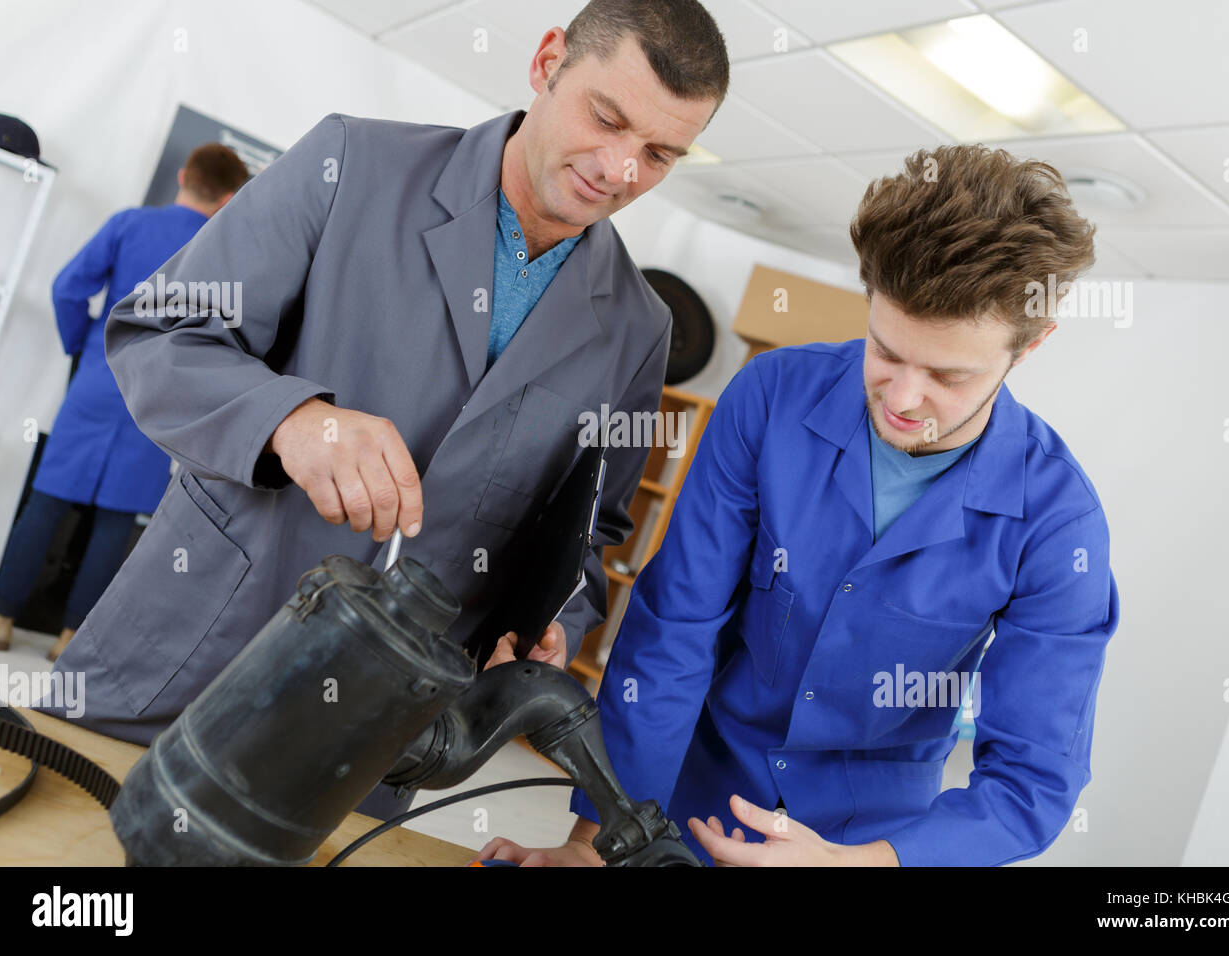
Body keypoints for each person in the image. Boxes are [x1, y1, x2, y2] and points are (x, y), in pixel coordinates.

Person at [36, 0, 729, 819]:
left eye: (658, 155)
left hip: (373, 734)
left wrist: (551, 626)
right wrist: (292, 420)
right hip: (191, 648)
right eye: (606, 119)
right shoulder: (352, 163)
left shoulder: (638, 329)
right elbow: (161, 333)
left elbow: (592, 534)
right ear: (547, 63)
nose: (620, 171)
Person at [477, 145, 1121, 867]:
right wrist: (596, 842)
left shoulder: (1060, 522)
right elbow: (673, 636)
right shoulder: (771, 397)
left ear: (1028, 347)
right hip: (683, 803)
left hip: (872, 838)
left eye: (948, 375)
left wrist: (856, 864)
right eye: (886, 350)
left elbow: (1032, 780)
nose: (904, 400)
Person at [0, 144, 249, 660]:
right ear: (229, 198)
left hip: (98, 380)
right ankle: (70, 640)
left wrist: (83, 344)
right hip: (165, 396)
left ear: (183, 175)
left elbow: (67, 288)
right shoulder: (224, 250)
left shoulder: (130, 222)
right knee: (118, 520)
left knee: (47, 501)